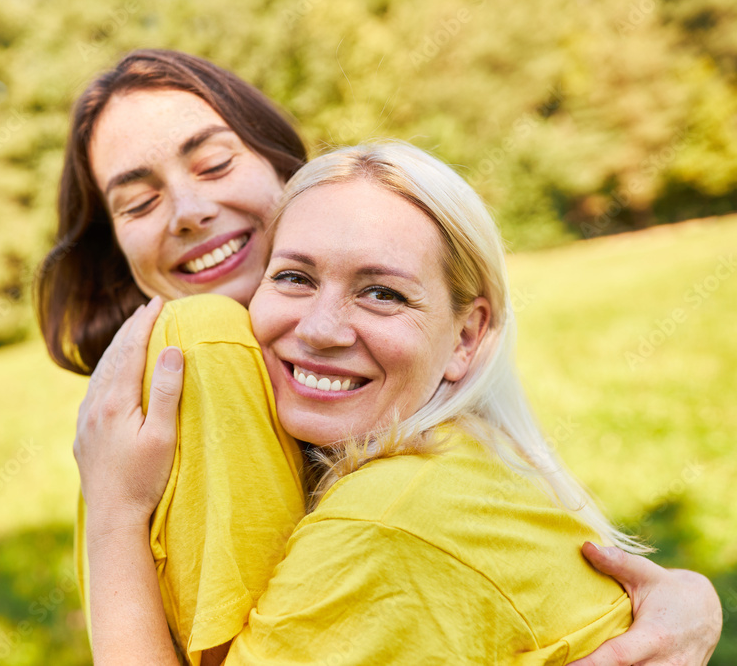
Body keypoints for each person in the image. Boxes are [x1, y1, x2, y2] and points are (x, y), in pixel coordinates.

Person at [35, 49, 723, 665]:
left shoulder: (390, 498)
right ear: (118, 248)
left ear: (286, 173)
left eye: (215, 163)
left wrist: (116, 516)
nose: (186, 209)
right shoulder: (137, 433)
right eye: (139, 201)